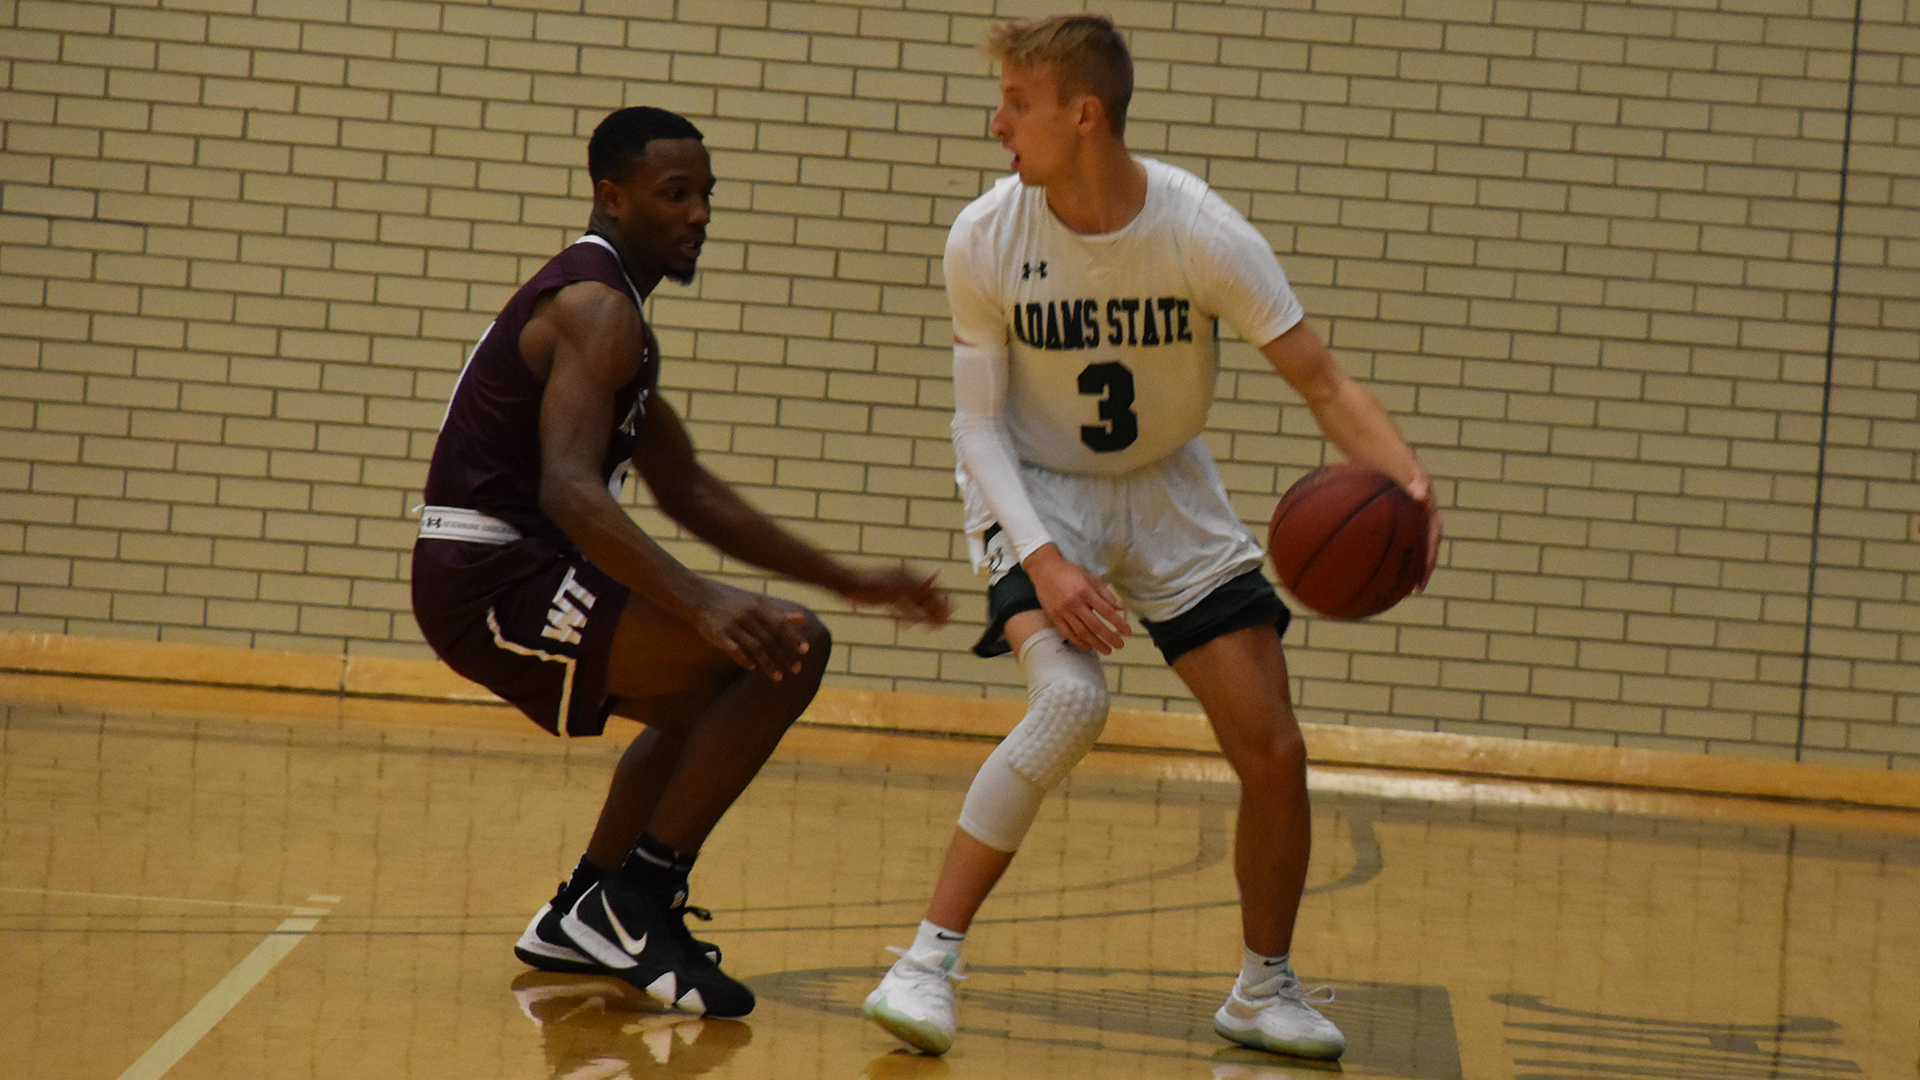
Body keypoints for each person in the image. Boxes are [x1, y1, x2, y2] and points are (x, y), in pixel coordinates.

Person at [860, 15, 1440, 1061]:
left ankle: (1264, 988)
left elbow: (1322, 381)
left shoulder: (1200, 230)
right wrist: (1042, 555)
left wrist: (1406, 482)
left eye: (1019, 105)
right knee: (1072, 700)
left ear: (1084, 115)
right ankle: (925, 959)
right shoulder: (986, 236)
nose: (998, 125)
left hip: (1168, 488)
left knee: (1275, 748)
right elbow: (976, 425)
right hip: (1035, 487)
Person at [411, 106, 950, 1020]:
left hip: (512, 568)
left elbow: (689, 488)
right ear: (612, 199)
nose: (699, 212)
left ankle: (585, 903)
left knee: (730, 689)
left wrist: (848, 578)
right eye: (676, 194)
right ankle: (633, 899)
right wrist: (700, 601)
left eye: (706, 194)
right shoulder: (598, 309)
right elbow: (571, 494)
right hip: (491, 575)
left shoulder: (618, 316)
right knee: (785, 652)